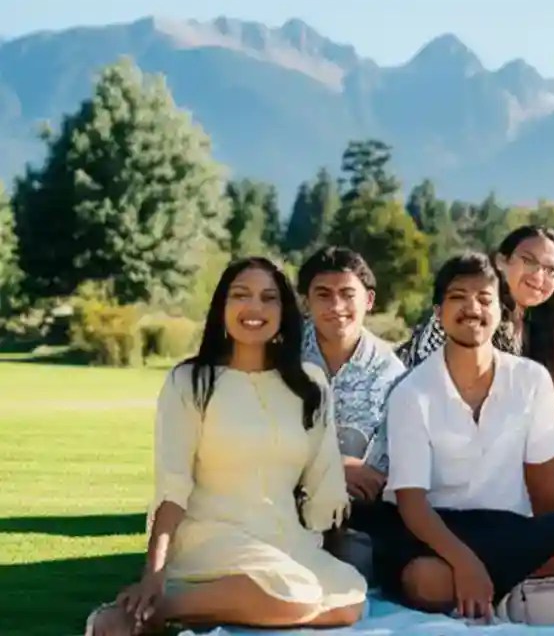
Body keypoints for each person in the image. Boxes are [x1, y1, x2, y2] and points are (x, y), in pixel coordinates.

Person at [85, 257, 365, 636]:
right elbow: (172, 486)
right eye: (241, 295)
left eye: (269, 298)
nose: (255, 308)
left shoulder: (310, 385)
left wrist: (321, 537)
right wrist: (152, 574)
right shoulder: (190, 381)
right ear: (223, 307)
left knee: (349, 602)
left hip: (282, 538)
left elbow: (324, 480)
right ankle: (152, 608)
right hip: (210, 535)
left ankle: (228, 605)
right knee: (295, 597)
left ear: (284, 311)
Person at [369, 252, 554, 622]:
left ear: (501, 312)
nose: (472, 307)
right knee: (427, 582)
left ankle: (496, 585)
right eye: (458, 297)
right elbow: (412, 504)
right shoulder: (411, 392)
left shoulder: (531, 379)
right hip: (435, 532)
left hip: (505, 528)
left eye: (485, 299)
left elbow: (543, 477)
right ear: (438, 312)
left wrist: (544, 540)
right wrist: (465, 562)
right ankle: (504, 584)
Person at [395, 226, 554, 500]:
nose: (539, 276)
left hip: (518, 464)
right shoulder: (467, 317)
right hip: (442, 462)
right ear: (501, 261)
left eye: (551, 270)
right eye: (529, 261)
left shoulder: (545, 330)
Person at [297, 246, 407, 577]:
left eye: (347, 294)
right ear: (306, 301)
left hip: (360, 511)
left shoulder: (392, 373)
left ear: (369, 300)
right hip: (285, 500)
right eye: (323, 295)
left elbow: (386, 466)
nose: (336, 307)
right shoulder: (281, 359)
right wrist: (335, 466)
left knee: (355, 572)